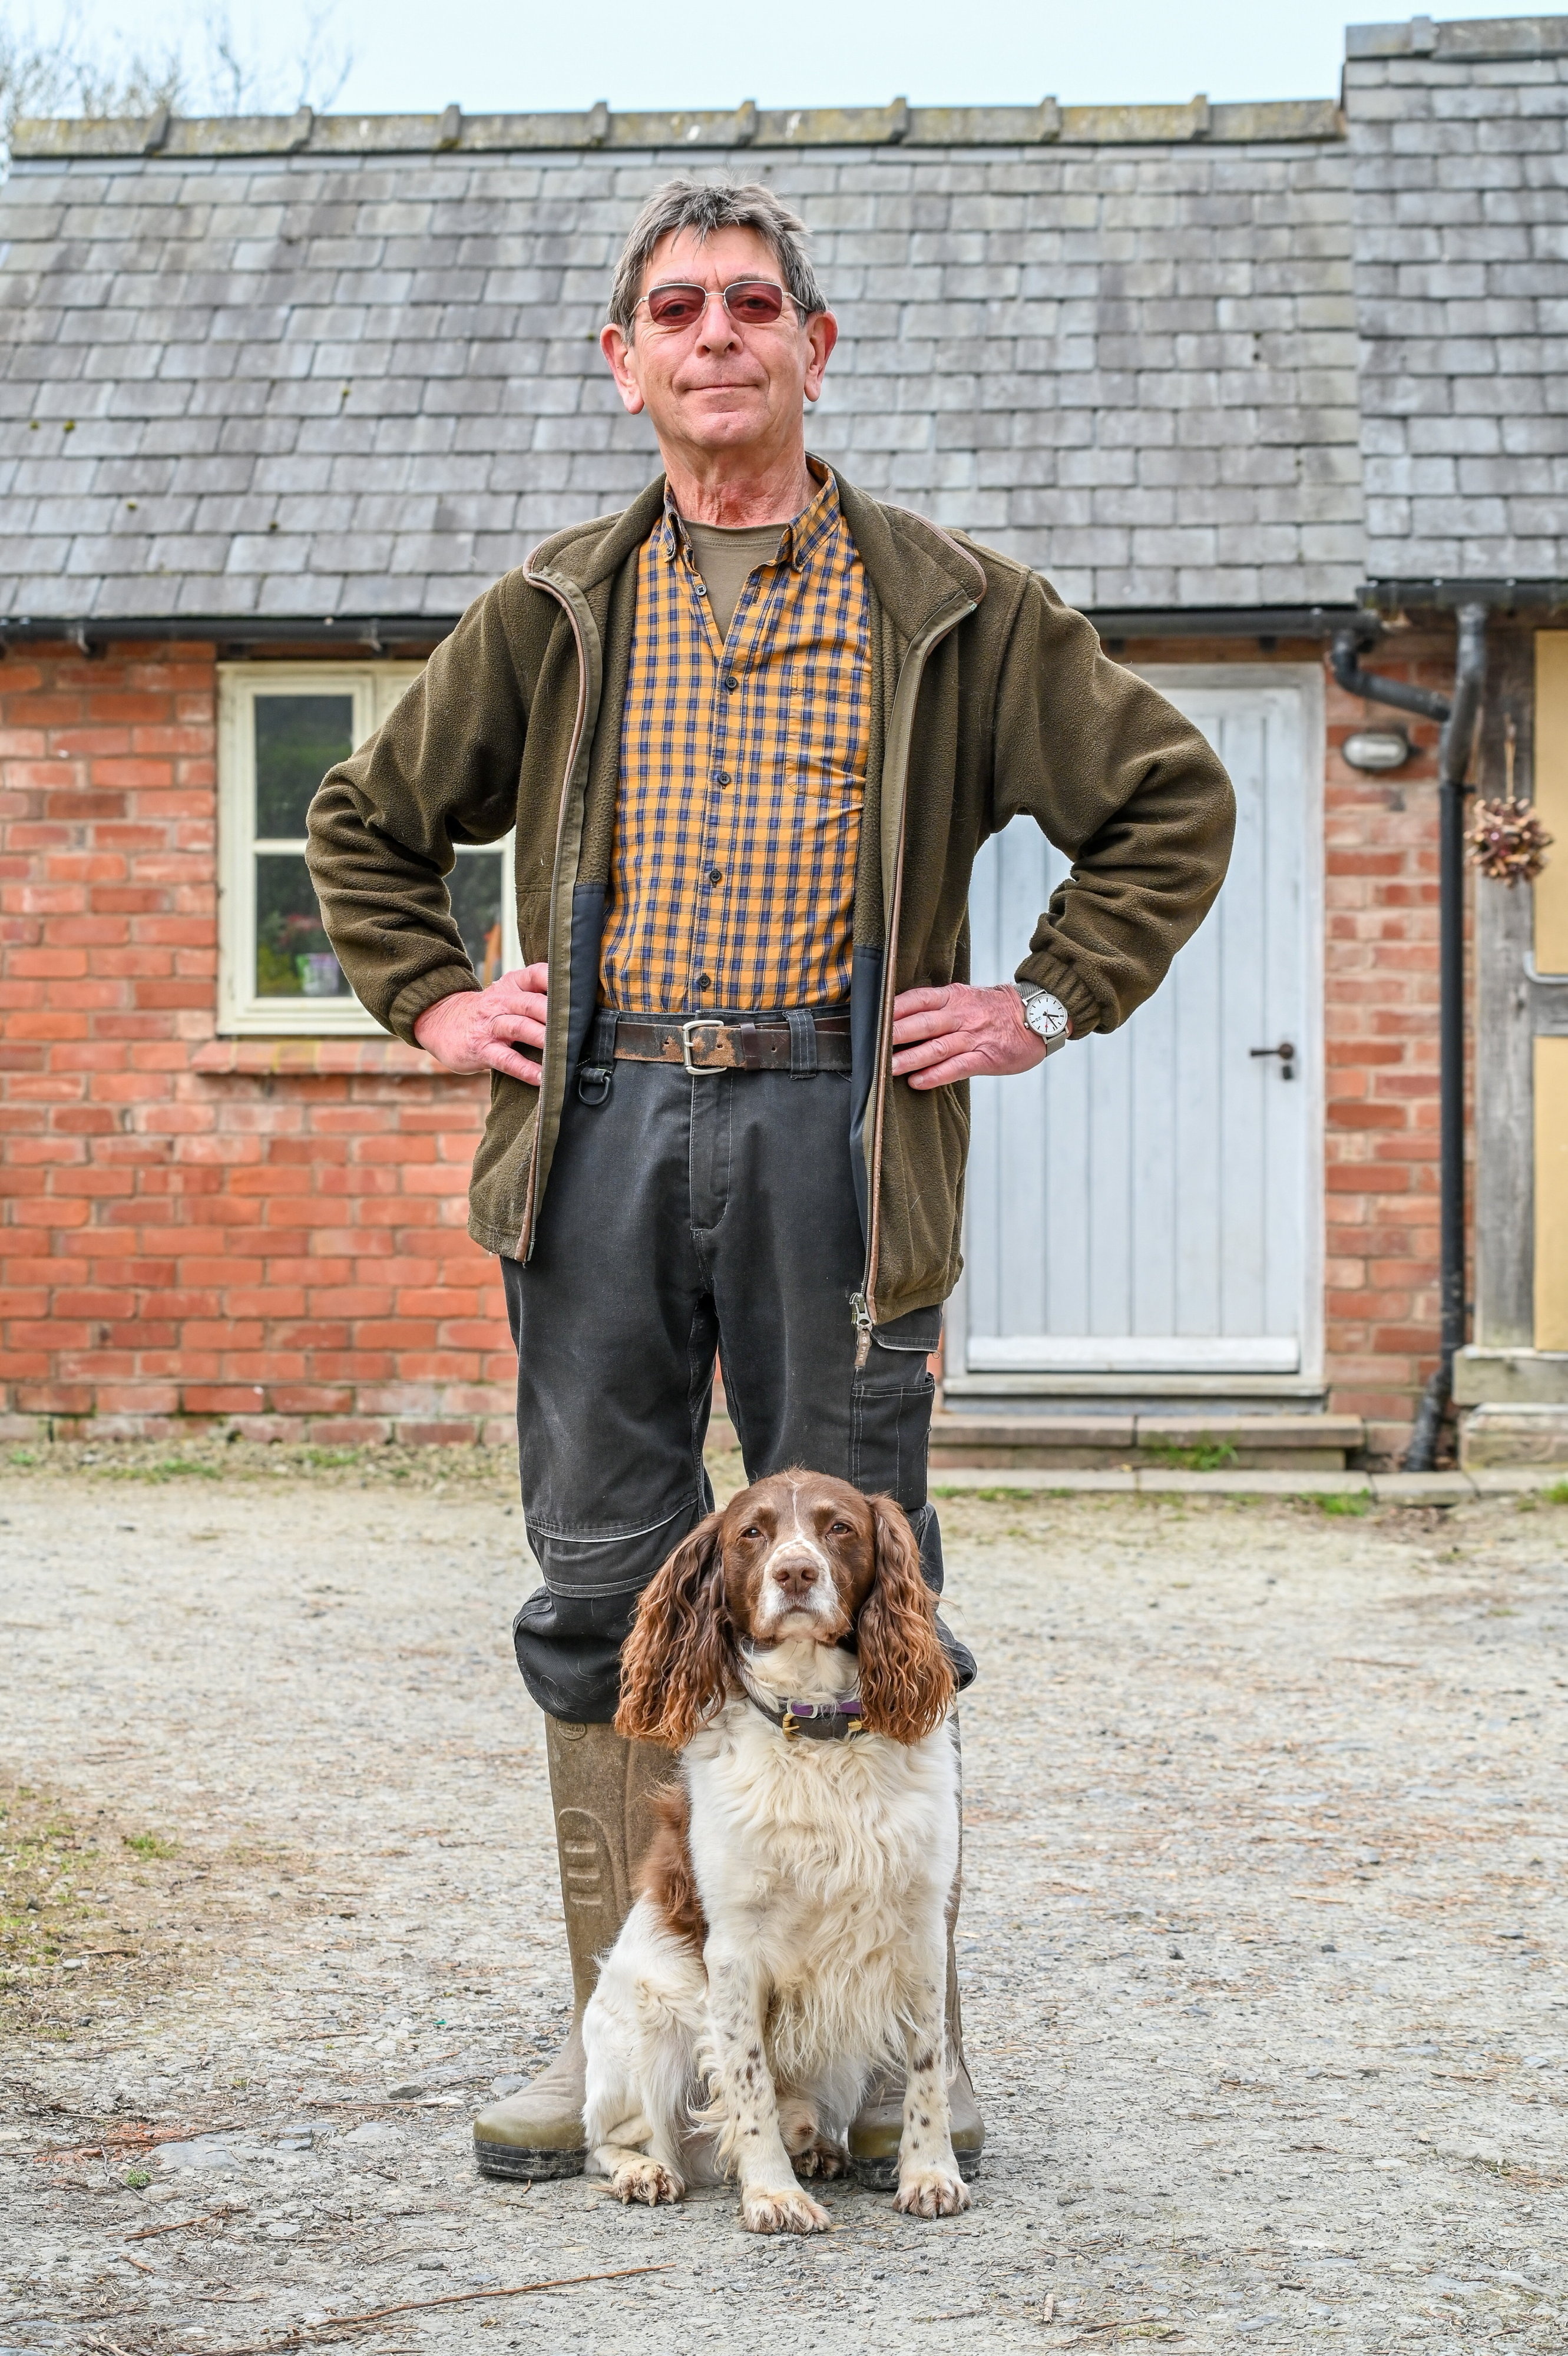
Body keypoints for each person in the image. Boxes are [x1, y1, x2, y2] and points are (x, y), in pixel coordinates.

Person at [306, 177, 1235, 2189]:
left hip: (840, 1128)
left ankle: (892, 2056)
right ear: (621, 362)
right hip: (607, 1130)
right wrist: (442, 1003)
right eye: (675, 309)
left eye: (752, 305)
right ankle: (629, 2034)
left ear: (816, 350)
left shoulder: (954, 603)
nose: (715, 335)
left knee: (871, 1577)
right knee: (600, 1587)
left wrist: (1046, 1003)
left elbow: (1166, 799)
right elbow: (365, 825)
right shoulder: (557, 605)